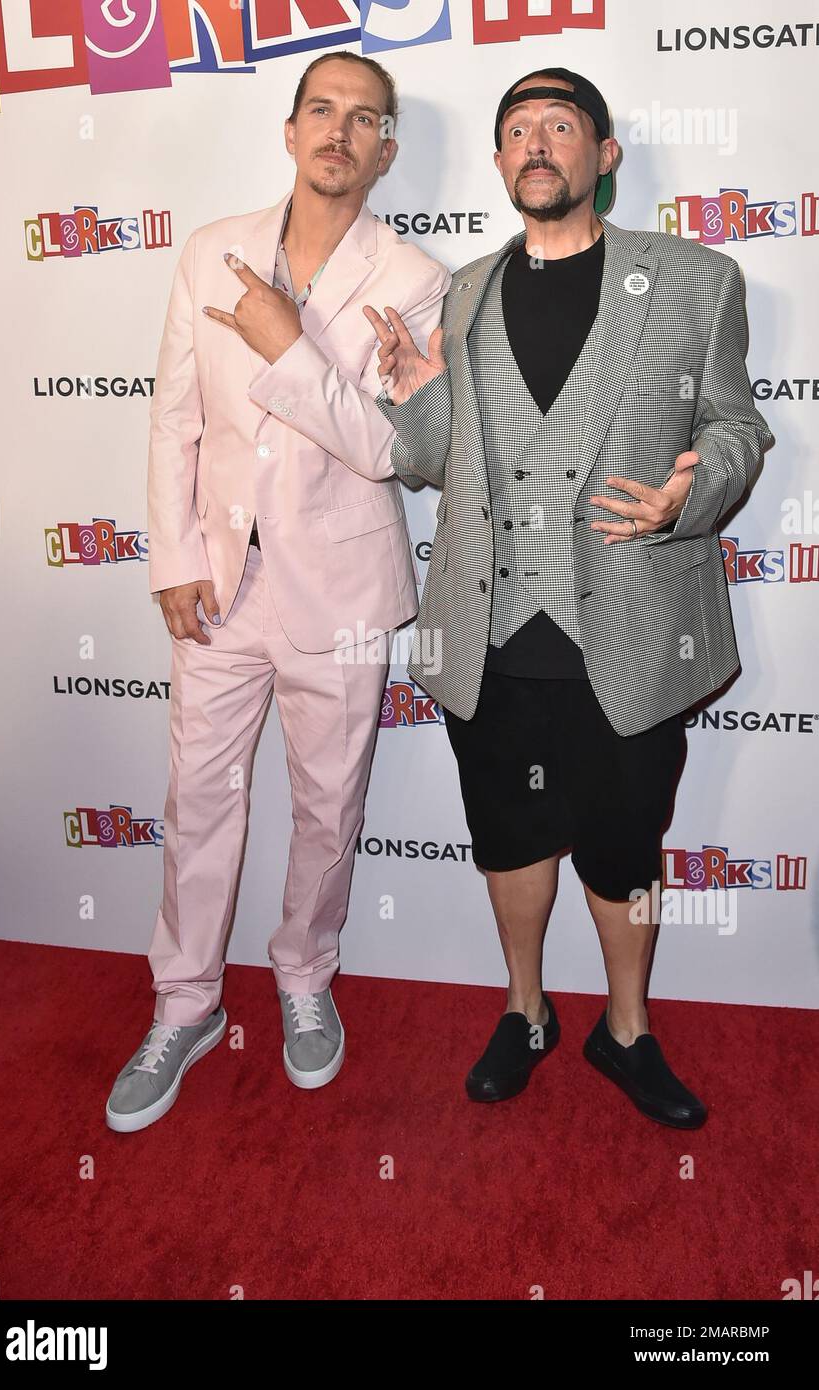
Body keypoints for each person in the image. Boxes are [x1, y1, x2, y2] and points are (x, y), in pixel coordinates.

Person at [368, 67, 773, 1128]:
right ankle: (526, 1009)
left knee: (625, 847)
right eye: (515, 131)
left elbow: (736, 429)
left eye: (559, 126)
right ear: (500, 165)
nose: (535, 144)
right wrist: (414, 398)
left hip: (629, 631)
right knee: (505, 836)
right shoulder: (460, 293)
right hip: (493, 635)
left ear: (603, 155)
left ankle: (625, 1026)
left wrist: (696, 487)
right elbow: (438, 466)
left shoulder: (695, 278)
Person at [105, 51, 450, 1133]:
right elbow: (173, 416)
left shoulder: (415, 278)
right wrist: (172, 558)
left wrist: (286, 348)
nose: (339, 133)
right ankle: (185, 1001)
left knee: (325, 804)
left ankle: (304, 974)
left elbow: (390, 449)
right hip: (218, 584)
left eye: (365, 120)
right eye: (322, 112)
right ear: (290, 128)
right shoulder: (209, 250)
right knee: (195, 798)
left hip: (342, 589)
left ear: (387, 148)